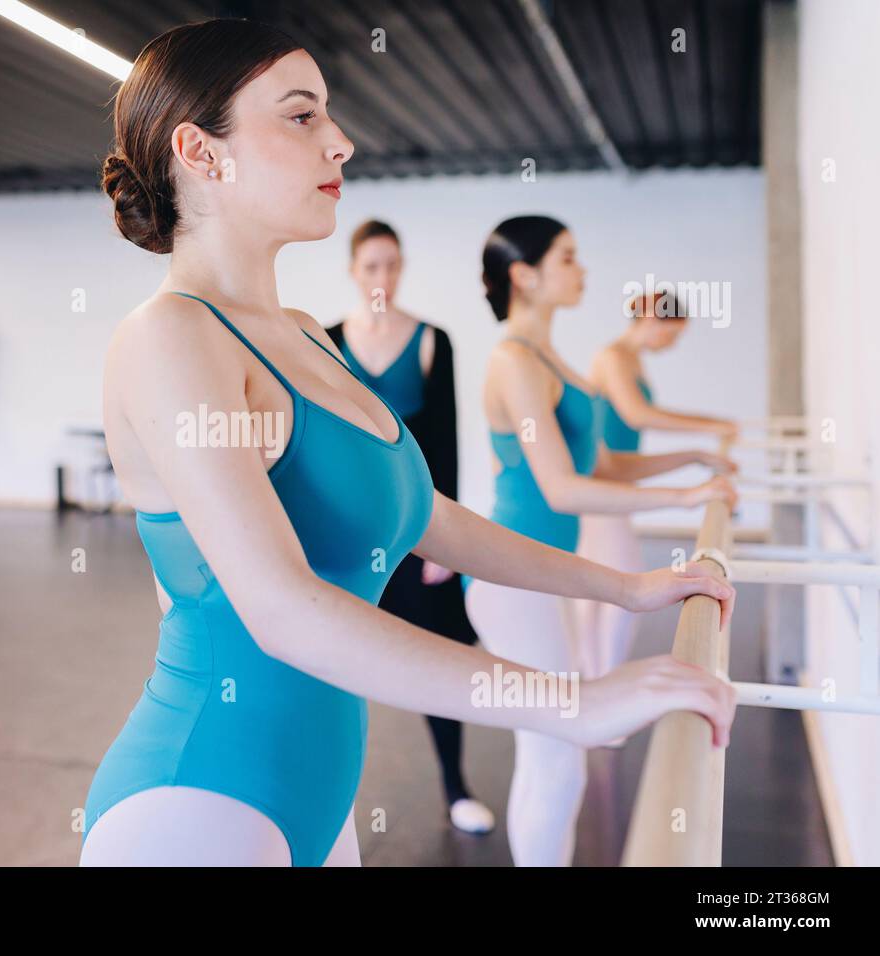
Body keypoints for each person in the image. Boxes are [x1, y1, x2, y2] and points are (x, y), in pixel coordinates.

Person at [80, 20, 736, 868]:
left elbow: (432, 519)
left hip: (320, 795)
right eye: (302, 117)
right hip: (197, 801)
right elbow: (280, 608)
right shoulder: (168, 337)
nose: (341, 143)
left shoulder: (309, 337)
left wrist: (629, 588)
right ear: (202, 153)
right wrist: (572, 703)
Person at [464, 215, 737, 865]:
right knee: (556, 756)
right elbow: (561, 487)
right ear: (524, 276)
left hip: (545, 569)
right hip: (510, 573)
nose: (582, 270)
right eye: (568, 258)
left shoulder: (553, 357)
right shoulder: (513, 360)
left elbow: (603, 463)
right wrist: (680, 498)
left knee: (563, 757)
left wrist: (693, 465)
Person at [326, 219, 492, 835]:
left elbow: (443, 448)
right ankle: (330, 799)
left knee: (439, 660)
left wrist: (442, 540)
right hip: (348, 531)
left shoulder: (431, 341)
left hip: (415, 529)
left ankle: (456, 785)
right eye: (371, 266)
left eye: (392, 265)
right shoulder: (324, 338)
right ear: (353, 270)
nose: (383, 278)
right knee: (335, 662)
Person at [579, 292, 740, 680]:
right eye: (673, 334)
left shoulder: (630, 359)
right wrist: (709, 426)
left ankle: (594, 678)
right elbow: (639, 415)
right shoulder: (613, 357)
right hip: (603, 482)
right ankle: (599, 680)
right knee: (618, 581)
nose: (673, 343)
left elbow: (645, 414)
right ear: (653, 319)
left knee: (599, 583)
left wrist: (708, 427)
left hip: (618, 478)